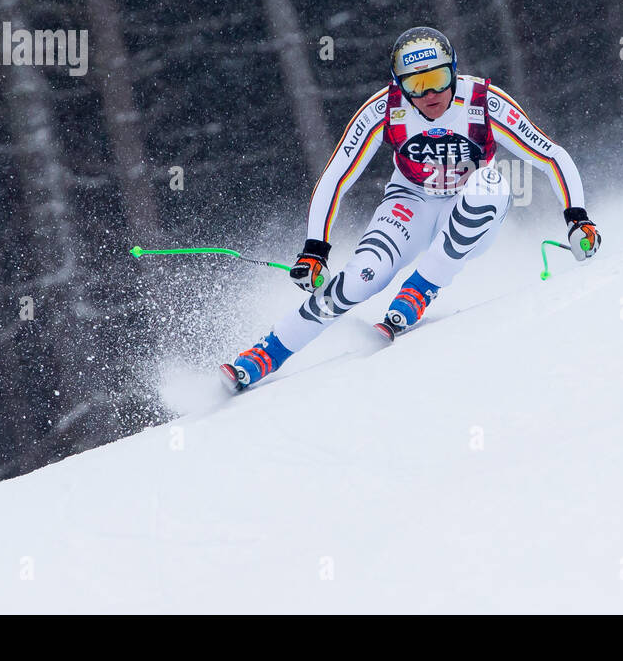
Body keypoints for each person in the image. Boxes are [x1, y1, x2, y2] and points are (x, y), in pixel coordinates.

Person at [220, 26, 601, 391]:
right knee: (360, 279)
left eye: (437, 79)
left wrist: (577, 220)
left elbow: (551, 156)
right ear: (398, 85)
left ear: (454, 71)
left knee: (491, 183)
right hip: (411, 200)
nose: (430, 94)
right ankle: (261, 356)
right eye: (416, 85)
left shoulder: (483, 102)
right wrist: (315, 250)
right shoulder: (386, 109)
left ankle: (421, 289)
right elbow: (336, 176)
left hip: (471, 202)